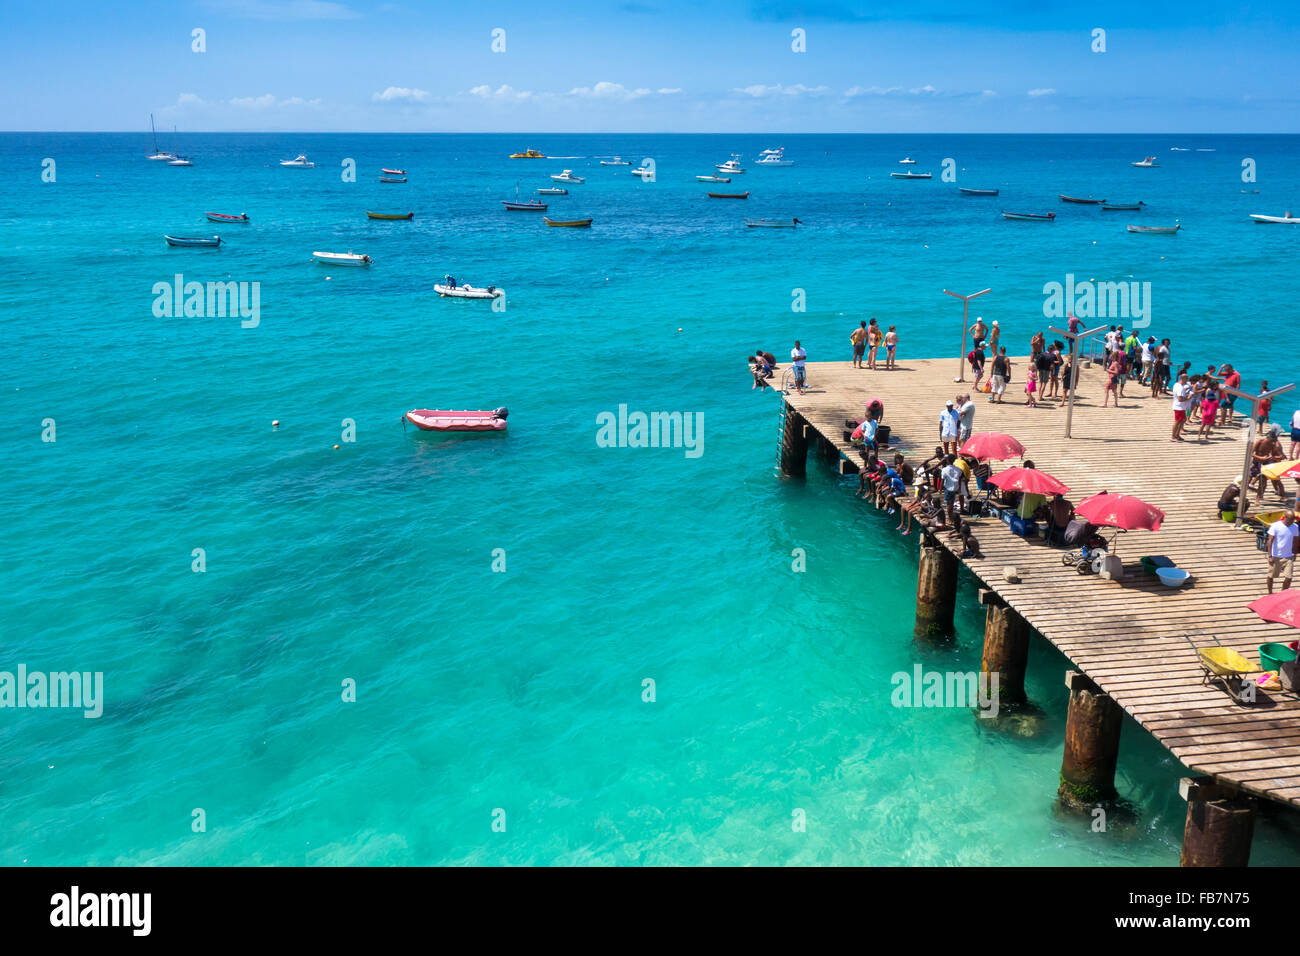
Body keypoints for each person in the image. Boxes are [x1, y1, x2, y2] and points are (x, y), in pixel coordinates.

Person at [1266, 511, 1298, 594]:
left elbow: (1296, 540)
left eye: (1293, 520)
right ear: (1285, 517)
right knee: (1271, 576)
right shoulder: (1275, 526)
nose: (1291, 522)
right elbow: (1270, 541)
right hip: (1276, 556)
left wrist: (1294, 553)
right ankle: (1270, 592)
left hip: (1288, 556)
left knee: (1289, 577)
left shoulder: (1295, 527)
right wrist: (1270, 555)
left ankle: (1282, 594)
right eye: (1290, 520)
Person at [1171, 372, 1193, 441]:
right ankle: (1173, 436)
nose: (1188, 380)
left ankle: (1177, 435)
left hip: (1179, 406)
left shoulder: (1176, 384)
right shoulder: (1180, 388)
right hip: (1179, 407)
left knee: (1182, 420)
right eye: (1187, 379)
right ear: (1183, 379)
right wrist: (1188, 398)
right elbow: (1180, 399)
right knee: (1177, 421)